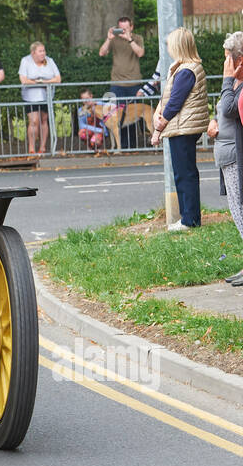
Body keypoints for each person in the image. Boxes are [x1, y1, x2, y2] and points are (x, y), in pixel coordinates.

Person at [150, 26, 209, 230]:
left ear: (177, 46)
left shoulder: (186, 71)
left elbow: (174, 103)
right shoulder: (188, 67)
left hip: (183, 128)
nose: (167, 48)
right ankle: (188, 218)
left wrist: (159, 127)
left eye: (169, 44)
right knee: (186, 173)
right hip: (186, 127)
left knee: (184, 174)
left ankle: (189, 220)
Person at [206, 32, 243, 281]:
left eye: (227, 58)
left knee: (240, 209)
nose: (224, 63)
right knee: (236, 208)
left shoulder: (235, 83)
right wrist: (214, 122)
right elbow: (225, 111)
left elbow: (230, 107)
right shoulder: (234, 84)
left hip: (234, 155)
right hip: (227, 153)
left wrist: (226, 79)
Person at [99, 16, 145, 148]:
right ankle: (122, 146)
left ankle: (134, 145)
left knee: (133, 116)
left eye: (125, 28)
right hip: (117, 85)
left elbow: (140, 53)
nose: (123, 31)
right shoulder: (114, 39)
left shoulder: (137, 38)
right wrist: (109, 38)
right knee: (116, 117)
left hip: (134, 84)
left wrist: (129, 39)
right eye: (121, 28)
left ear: (131, 27)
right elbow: (102, 53)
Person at [18, 41, 61, 154]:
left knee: (43, 120)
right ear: (33, 53)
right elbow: (24, 80)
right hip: (30, 97)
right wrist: (40, 83)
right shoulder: (25, 61)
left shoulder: (50, 61)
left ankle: (42, 148)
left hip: (46, 97)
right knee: (33, 121)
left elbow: (58, 79)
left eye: (44, 51)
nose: (43, 53)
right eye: (40, 51)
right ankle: (31, 148)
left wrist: (42, 81)